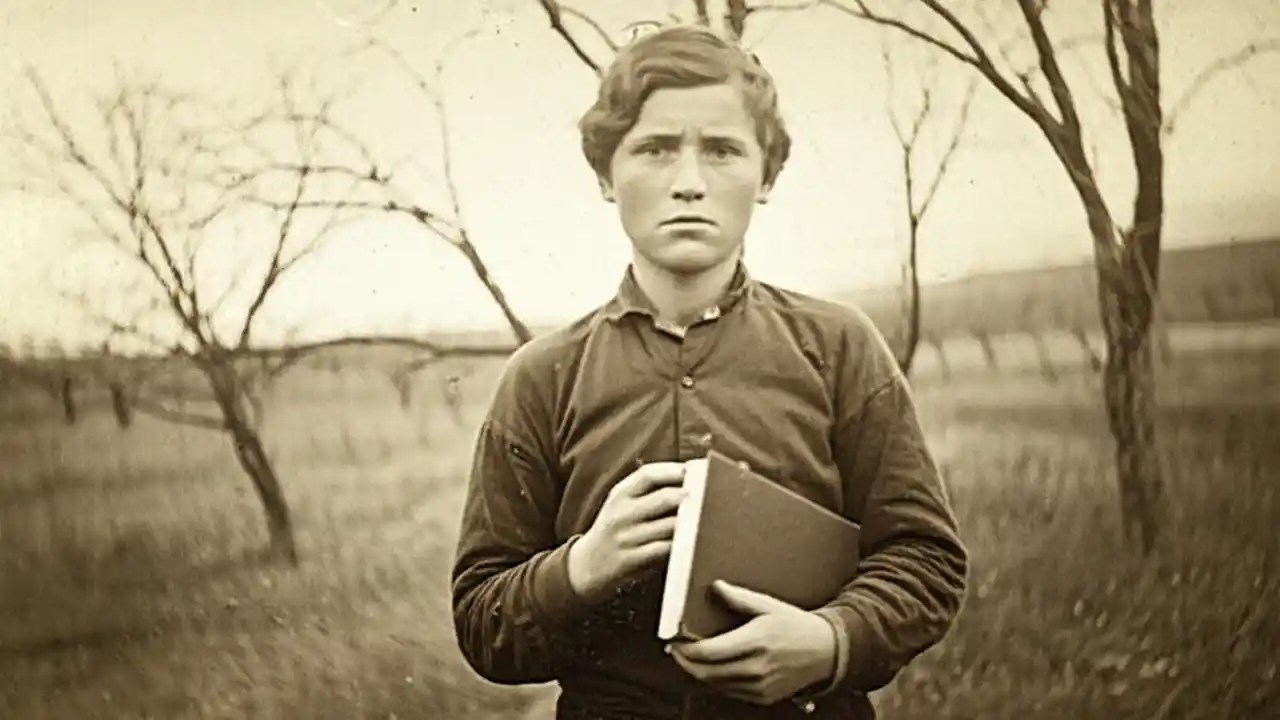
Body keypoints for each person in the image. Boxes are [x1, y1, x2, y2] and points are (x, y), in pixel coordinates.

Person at [450, 24, 968, 720]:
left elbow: (926, 561)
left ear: (767, 177)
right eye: (655, 149)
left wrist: (830, 642)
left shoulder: (839, 347)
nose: (689, 182)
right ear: (606, 176)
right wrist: (582, 566)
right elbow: (483, 622)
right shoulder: (542, 377)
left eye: (722, 150)